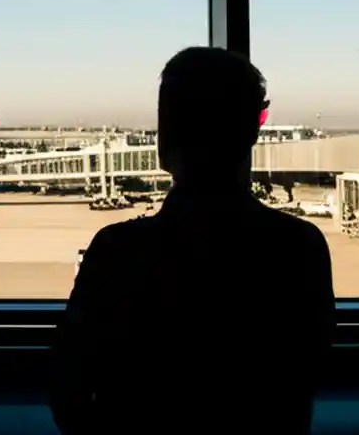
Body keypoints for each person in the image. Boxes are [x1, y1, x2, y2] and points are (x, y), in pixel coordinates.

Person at [48, 47, 335, 434]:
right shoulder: (301, 249)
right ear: (254, 128)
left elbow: (69, 393)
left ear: (164, 137)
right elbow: (308, 376)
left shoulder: (117, 254)